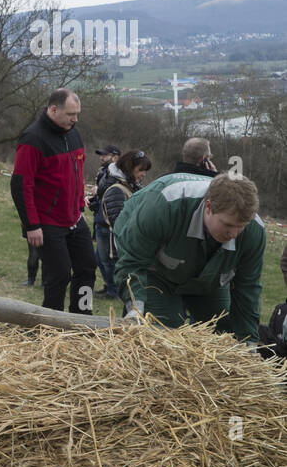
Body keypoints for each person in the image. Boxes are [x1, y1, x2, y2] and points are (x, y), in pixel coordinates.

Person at [113, 172, 265, 343]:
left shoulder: (253, 231)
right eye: (228, 225)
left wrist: (248, 341)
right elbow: (133, 259)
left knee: (224, 331)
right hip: (153, 266)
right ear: (208, 207)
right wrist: (135, 308)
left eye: (241, 227)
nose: (234, 234)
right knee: (162, 331)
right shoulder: (163, 205)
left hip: (207, 272)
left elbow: (248, 287)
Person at [11, 89, 95, 314]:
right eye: (70, 114)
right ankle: (51, 326)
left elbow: (76, 172)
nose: (75, 119)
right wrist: (31, 225)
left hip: (74, 218)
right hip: (47, 222)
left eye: (77, 114)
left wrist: (79, 204)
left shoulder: (74, 133)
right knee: (59, 274)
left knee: (87, 268)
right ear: (53, 109)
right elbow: (20, 185)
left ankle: (82, 318)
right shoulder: (33, 138)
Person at [98, 149, 152, 292]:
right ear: (129, 168)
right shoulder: (117, 190)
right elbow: (119, 224)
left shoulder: (132, 187)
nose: (143, 174)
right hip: (123, 249)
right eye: (141, 170)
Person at [90, 145, 121, 298]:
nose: (102, 158)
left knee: (108, 260)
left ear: (115, 157)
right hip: (99, 220)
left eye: (105, 155)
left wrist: (98, 190)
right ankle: (110, 286)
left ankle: (113, 291)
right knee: (99, 259)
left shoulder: (116, 175)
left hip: (108, 223)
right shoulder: (103, 173)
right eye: (101, 155)